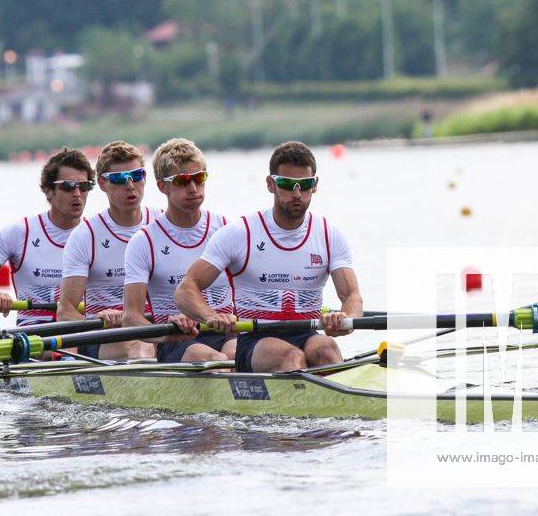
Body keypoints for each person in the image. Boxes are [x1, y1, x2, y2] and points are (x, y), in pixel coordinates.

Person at [175, 141, 363, 372]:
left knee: (327, 350)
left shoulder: (329, 235)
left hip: (307, 332)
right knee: (291, 358)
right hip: (255, 338)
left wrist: (346, 320)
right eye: (286, 184)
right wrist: (211, 316)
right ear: (270, 184)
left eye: (304, 185)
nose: (297, 194)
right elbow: (186, 289)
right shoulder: (239, 233)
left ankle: (339, 402)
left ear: (315, 185)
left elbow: (352, 295)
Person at [122, 138, 235, 364]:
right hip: (178, 340)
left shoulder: (226, 228)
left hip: (226, 334)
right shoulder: (144, 242)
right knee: (218, 360)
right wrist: (165, 333)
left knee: (234, 356)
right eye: (183, 181)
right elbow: (131, 317)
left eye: (199, 178)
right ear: (163, 186)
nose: (193, 188)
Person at [0, 148, 93, 325]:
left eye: (84, 186)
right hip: (36, 335)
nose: (77, 194)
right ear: (48, 191)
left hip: (83, 330)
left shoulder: (95, 234)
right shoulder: (19, 233)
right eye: (68, 186)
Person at [58, 140, 160, 360]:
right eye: (120, 179)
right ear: (103, 184)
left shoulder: (162, 224)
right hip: (108, 336)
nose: (131, 185)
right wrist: (95, 321)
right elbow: (66, 311)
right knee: (140, 350)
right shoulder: (86, 235)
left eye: (137, 175)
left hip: (162, 331)